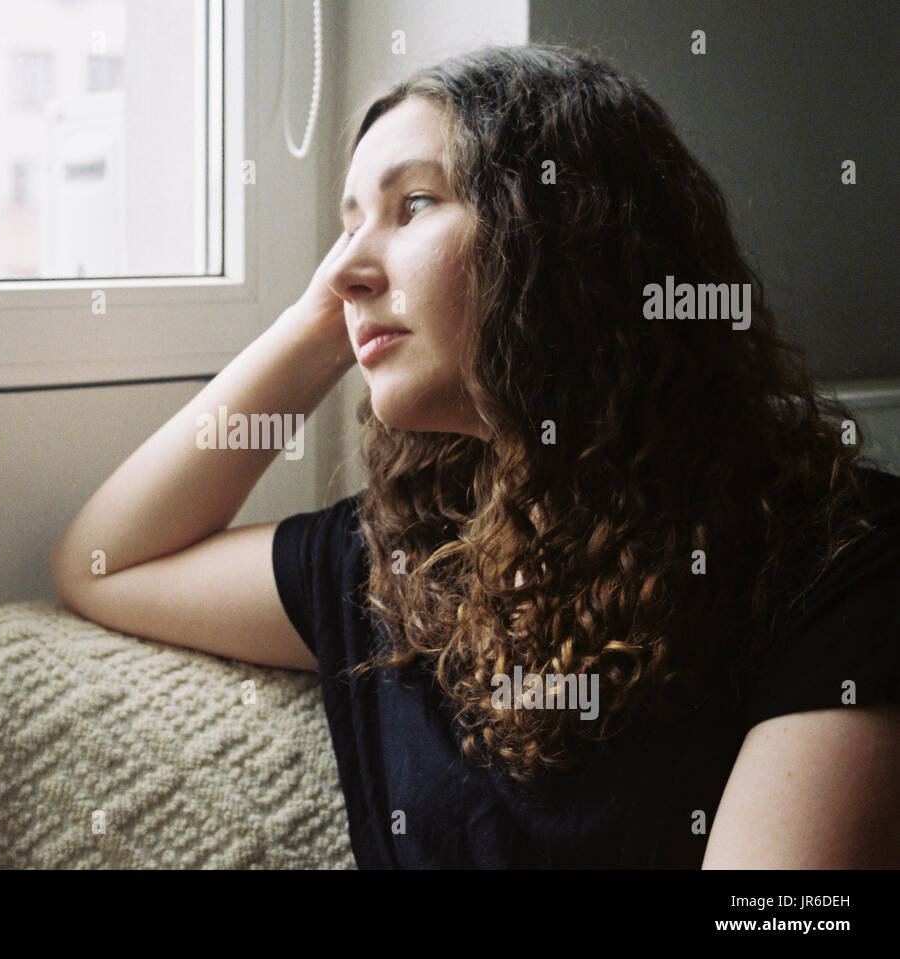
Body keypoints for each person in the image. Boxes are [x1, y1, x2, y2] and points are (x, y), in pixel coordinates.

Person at [50, 44, 900, 868]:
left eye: (412, 204)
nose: (343, 269)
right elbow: (105, 562)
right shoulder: (401, 566)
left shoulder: (840, 560)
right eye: (345, 229)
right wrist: (322, 323)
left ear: (566, 234)